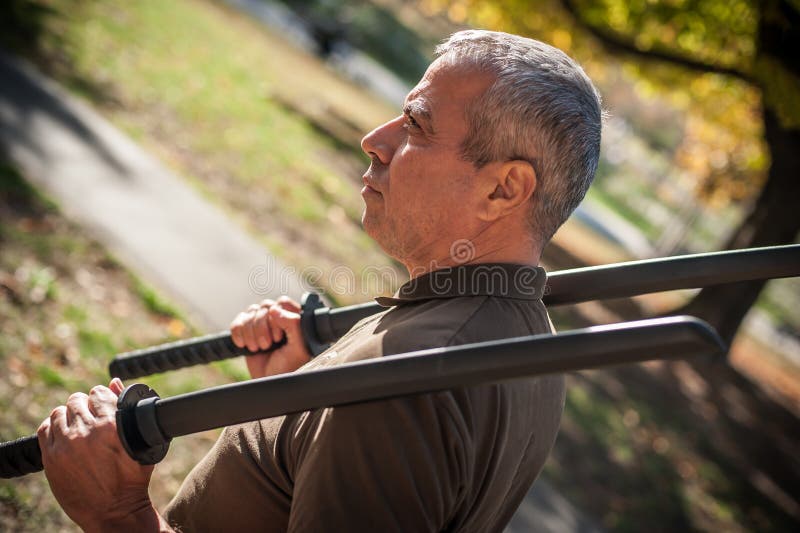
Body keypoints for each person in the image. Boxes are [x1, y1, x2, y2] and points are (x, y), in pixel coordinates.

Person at [37, 30, 602, 531]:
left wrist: (118, 516)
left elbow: (398, 422)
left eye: (417, 126)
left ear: (503, 189)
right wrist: (302, 397)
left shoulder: (400, 381)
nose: (375, 140)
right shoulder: (524, 340)